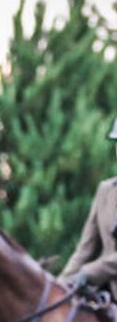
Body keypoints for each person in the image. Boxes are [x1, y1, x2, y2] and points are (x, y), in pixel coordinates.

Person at [60, 116, 117, 298]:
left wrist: (90, 272)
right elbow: (86, 248)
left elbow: (91, 269)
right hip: (109, 297)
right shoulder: (105, 190)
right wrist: (59, 286)